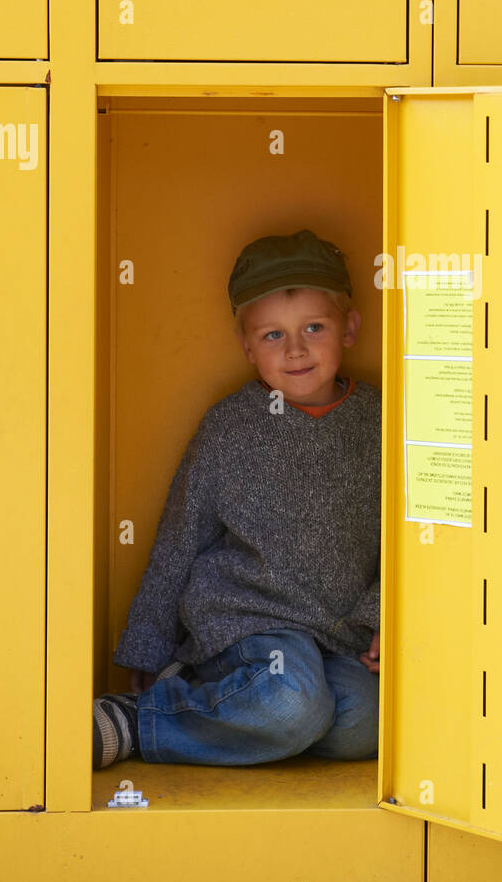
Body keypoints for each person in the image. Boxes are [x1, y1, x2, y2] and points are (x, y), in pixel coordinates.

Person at [92, 228, 381, 769]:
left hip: (339, 633)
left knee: (361, 726)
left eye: (314, 328)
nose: (295, 349)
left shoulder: (380, 423)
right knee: (294, 702)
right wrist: (147, 645)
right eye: (272, 335)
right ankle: (136, 720)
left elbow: (415, 533)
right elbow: (181, 537)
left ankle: (240, 715)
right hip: (246, 621)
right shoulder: (229, 427)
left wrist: (383, 610)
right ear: (246, 345)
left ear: (350, 328)